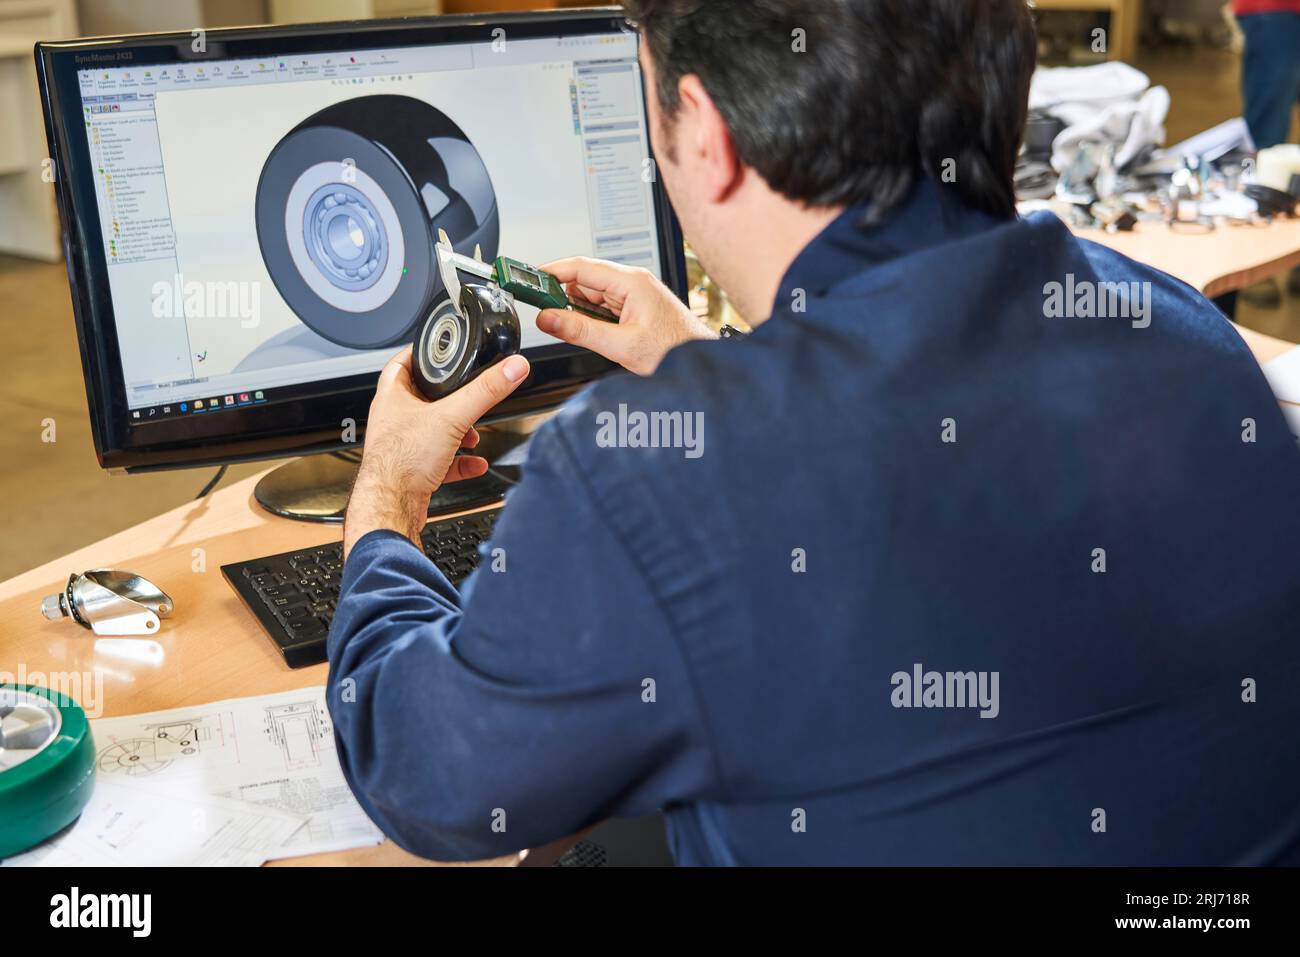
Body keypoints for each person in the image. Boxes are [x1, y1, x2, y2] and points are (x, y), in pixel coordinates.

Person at [327, 0, 1300, 865]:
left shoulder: (642, 477)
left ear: (702, 132)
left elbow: (434, 783)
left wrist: (387, 499)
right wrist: (723, 371)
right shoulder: (1182, 332)